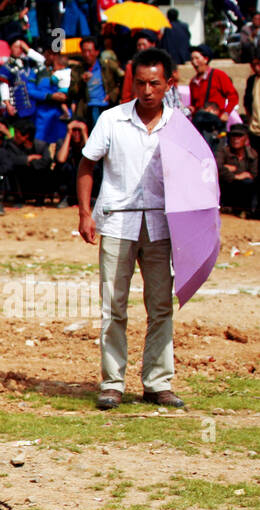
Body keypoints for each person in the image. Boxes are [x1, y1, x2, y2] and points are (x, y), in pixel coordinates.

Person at [79, 48, 185, 411]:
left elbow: (193, 176)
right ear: (132, 82)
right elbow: (86, 165)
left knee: (160, 306)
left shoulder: (180, 125)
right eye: (140, 82)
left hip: (161, 227)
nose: (148, 90)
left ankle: (158, 382)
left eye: (155, 83)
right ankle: (112, 384)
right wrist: (84, 213)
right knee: (113, 307)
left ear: (169, 83)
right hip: (118, 223)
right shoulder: (111, 120)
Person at [217, 125, 257, 217]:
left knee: (249, 183)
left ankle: (249, 211)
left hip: (244, 189)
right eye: (233, 136)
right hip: (227, 186)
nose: (236, 139)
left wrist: (229, 169)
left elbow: (253, 174)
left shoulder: (252, 154)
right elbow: (217, 167)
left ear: (246, 139)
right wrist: (235, 176)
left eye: (239, 136)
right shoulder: (223, 151)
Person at [188, 47, 238, 116]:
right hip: (200, 121)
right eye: (192, 59)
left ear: (206, 59)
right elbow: (194, 104)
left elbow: (233, 96)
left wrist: (226, 113)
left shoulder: (218, 75)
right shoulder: (193, 82)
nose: (193, 62)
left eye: (197, 58)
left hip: (215, 120)